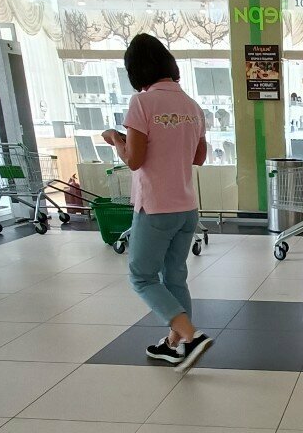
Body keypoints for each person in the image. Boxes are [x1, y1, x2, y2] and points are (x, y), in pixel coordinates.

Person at [102, 34, 211, 372]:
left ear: (135, 70)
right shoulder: (192, 106)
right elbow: (199, 157)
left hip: (155, 208)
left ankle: (190, 335)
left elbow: (134, 160)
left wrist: (115, 140)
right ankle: (175, 345)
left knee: (142, 277)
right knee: (175, 278)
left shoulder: (142, 103)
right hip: (186, 208)